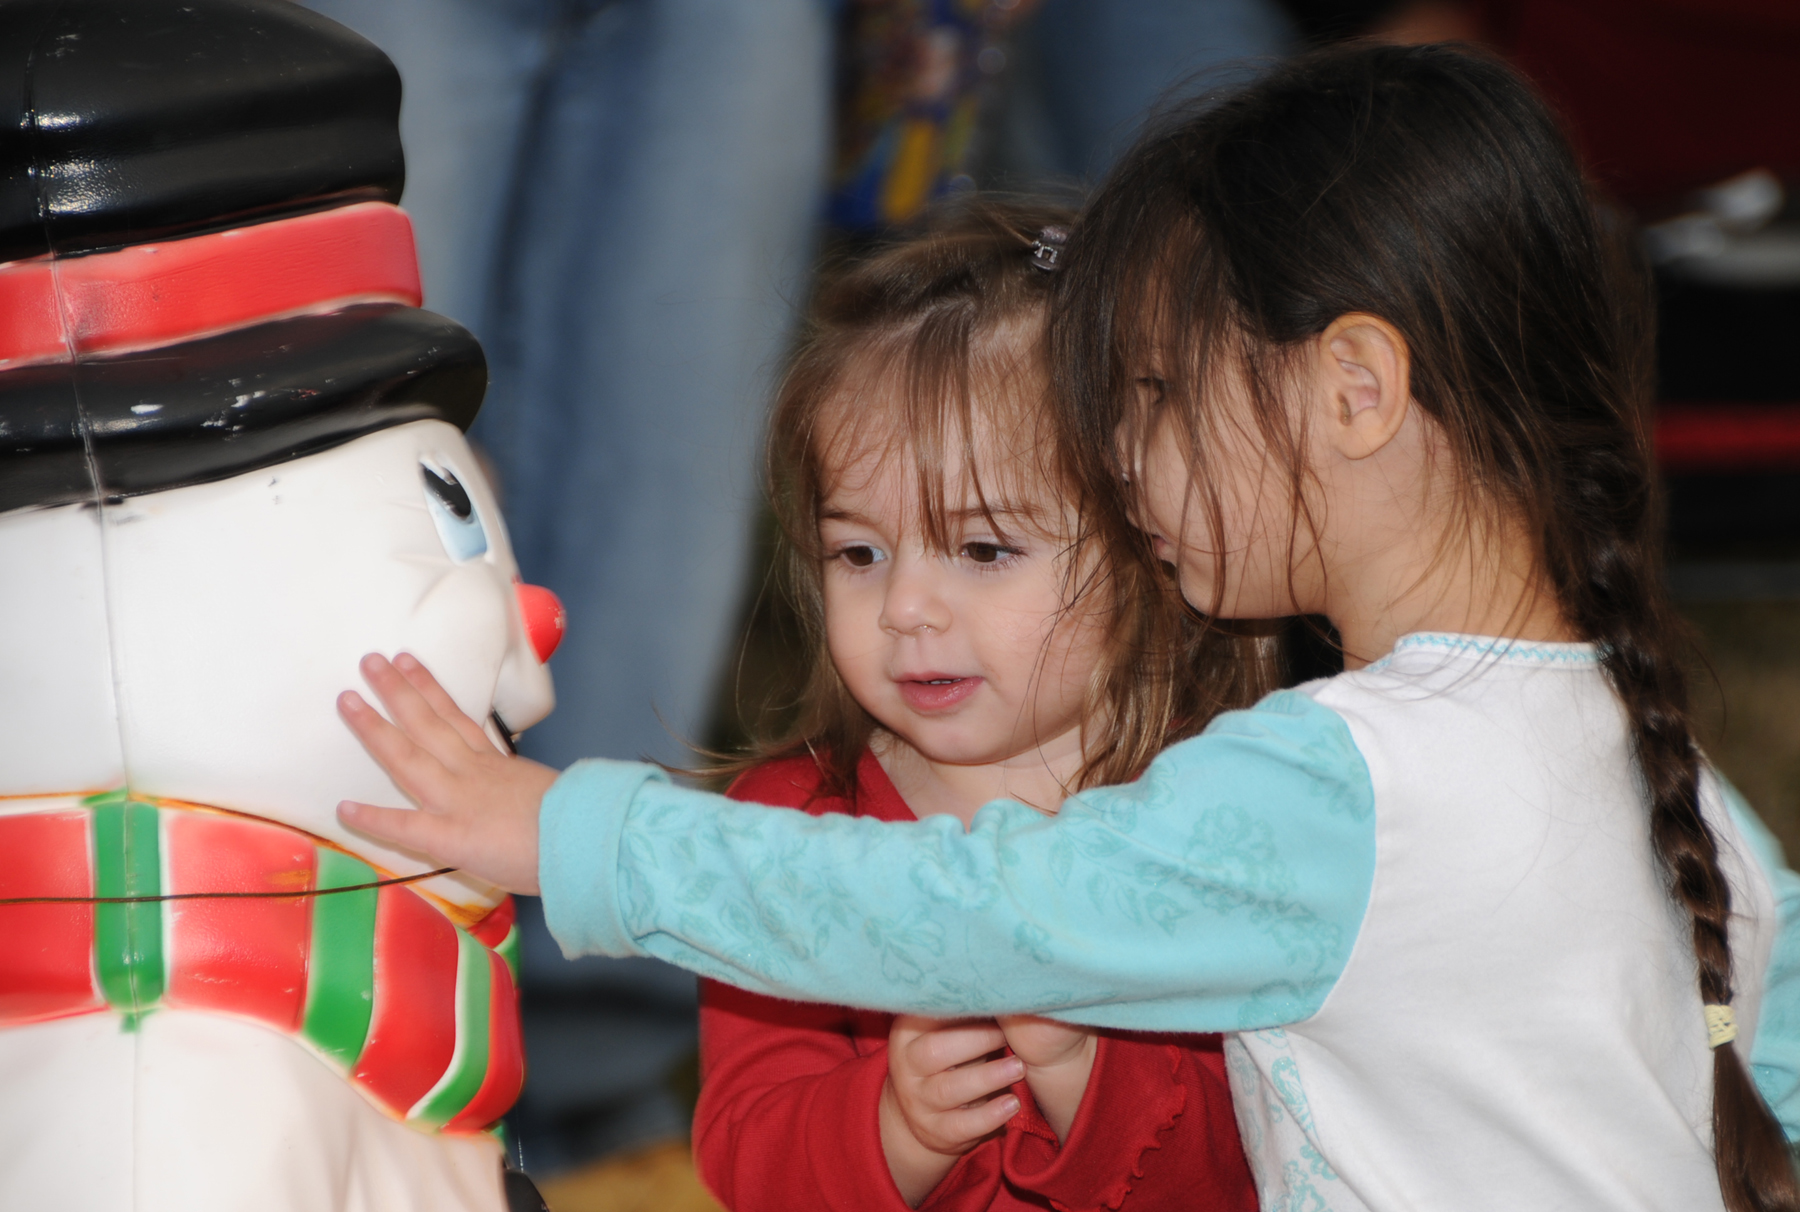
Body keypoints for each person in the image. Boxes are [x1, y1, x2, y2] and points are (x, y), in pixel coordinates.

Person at [334, 43, 1800, 1211]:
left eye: (1157, 395)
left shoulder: (1328, 786)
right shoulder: (1659, 768)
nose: (1130, 454)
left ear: (1352, 392)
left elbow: (957, 910)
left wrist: (566, 836)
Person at [690, 204, 1269, 1210]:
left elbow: (1257, 1171)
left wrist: (1086, 1069)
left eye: (984, 549)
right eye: (859, 553)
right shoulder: (781, 831)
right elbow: (746, 1151)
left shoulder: (1217, 828)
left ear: (1147, 548)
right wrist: (892, 1125)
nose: (905, 607)